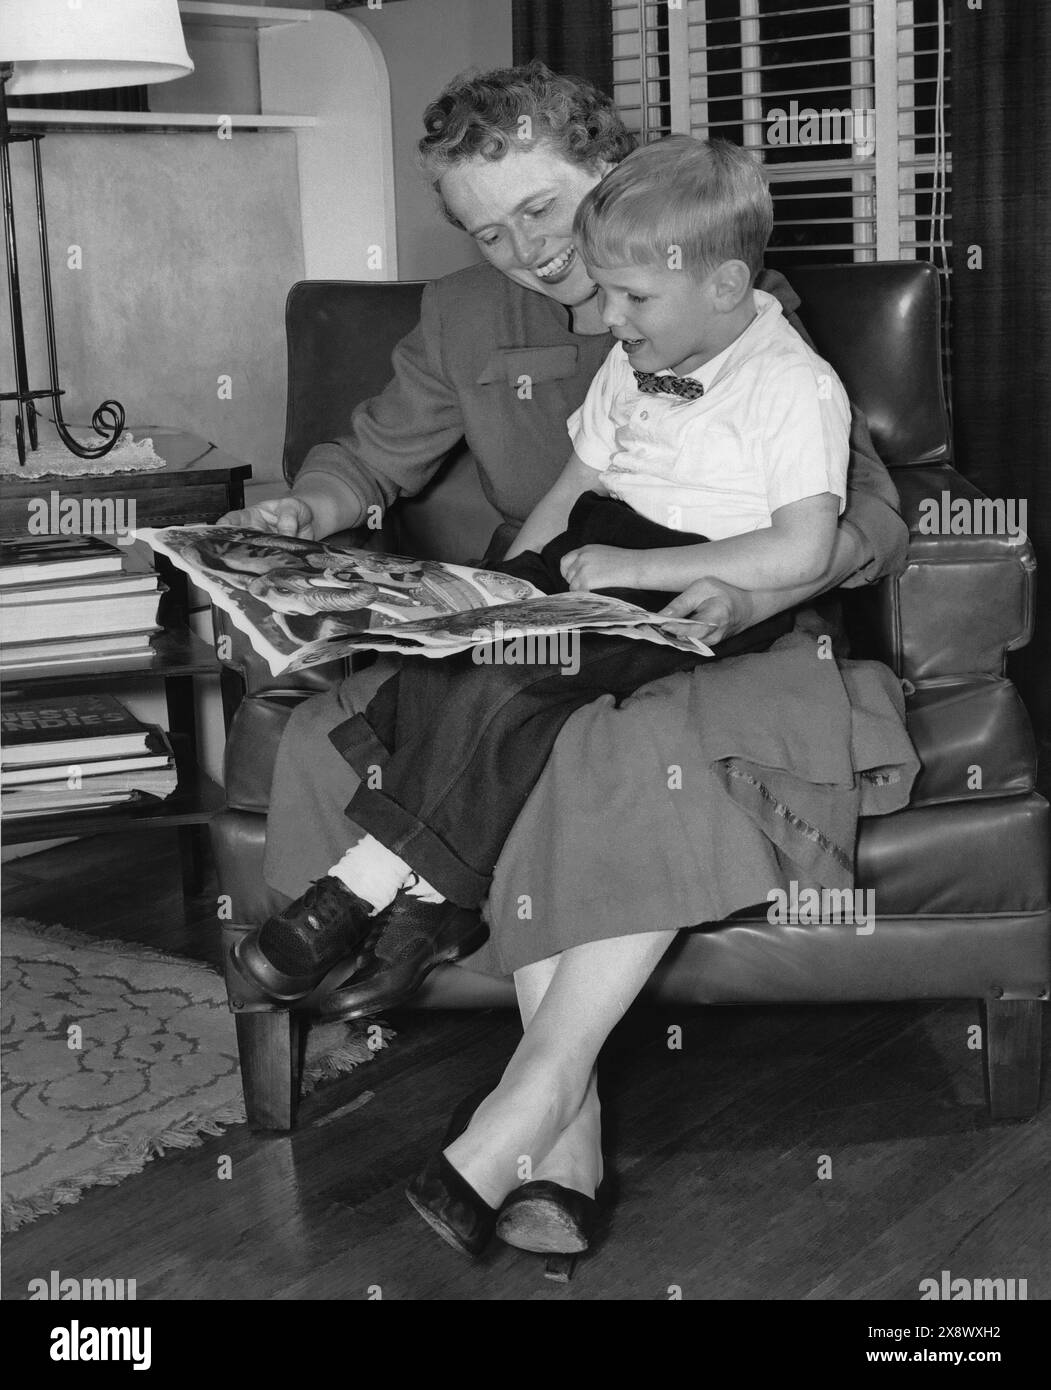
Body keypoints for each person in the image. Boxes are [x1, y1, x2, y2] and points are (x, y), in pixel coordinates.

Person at [219, 63, 912, 1265]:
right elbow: (373, 457)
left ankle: (533, 1101)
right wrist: (308, 514)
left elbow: (867, 516)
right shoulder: (459, 318)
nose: (527, 254)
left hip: (716, 627)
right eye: (489, 230)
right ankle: (557, 1131)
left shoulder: (717, 299)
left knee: (603, 745)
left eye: (540, 212)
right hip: (559, 612)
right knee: (517, 711)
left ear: (609, 174)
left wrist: (746, 585)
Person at [233, 135, 852, 1034]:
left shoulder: (781, 368)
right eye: (489, 232)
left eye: (536, 211)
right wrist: (490, 597)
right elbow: (567, 496)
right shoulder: (628, 350)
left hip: (688, 572)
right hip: (595, 552)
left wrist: (641, 572)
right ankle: (423, 901)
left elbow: (805, 544)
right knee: (455, 657)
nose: (606, 316)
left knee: (513, 684)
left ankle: (379, 888)